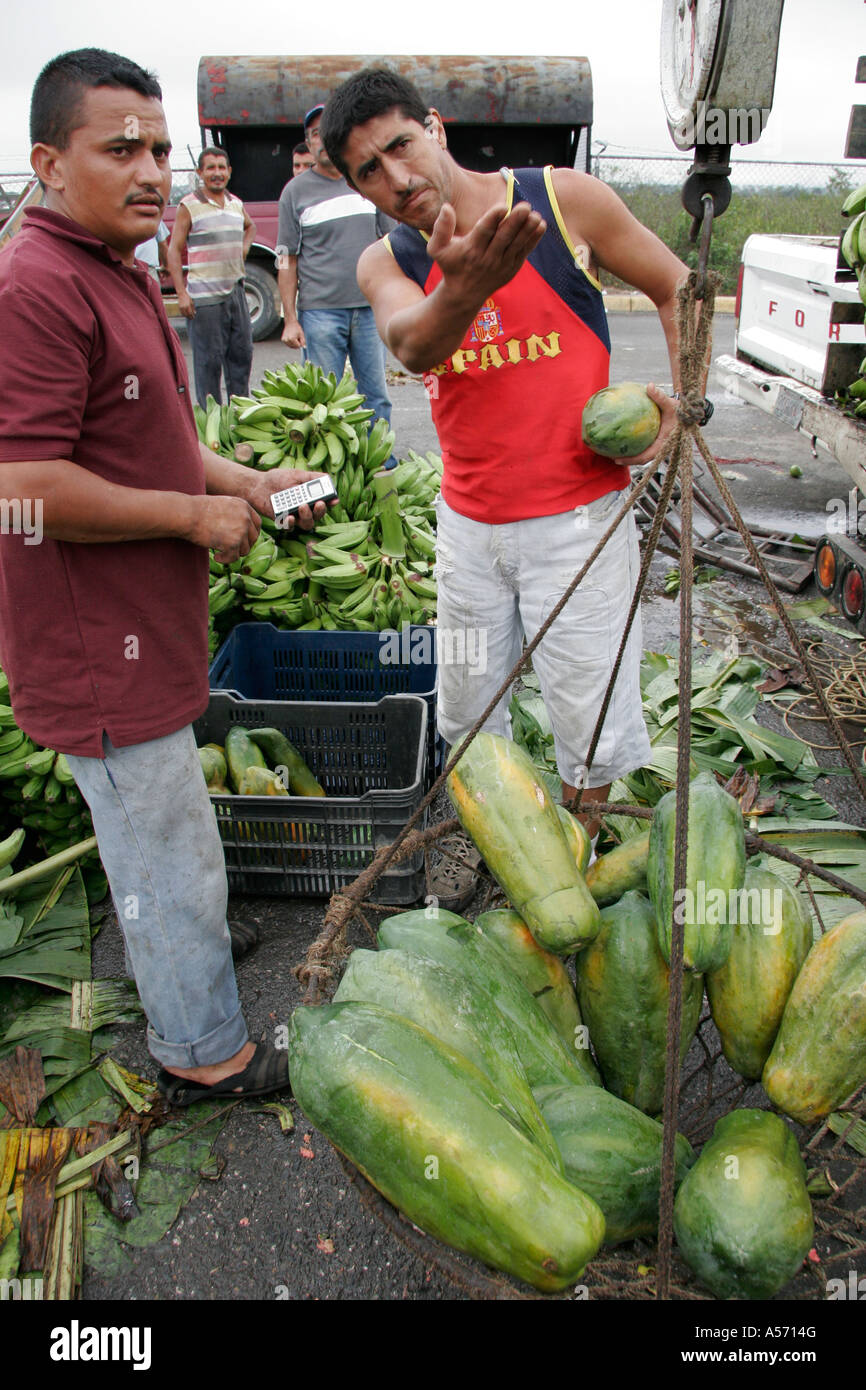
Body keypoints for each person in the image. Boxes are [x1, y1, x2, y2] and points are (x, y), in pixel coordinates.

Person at [0, 47, 330, 1105]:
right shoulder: (37, 286)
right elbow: (22, 487)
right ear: (49, 164)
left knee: (169, 827)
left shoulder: (119, 267)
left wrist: (249, 482)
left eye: (160, 148)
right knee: (162, 847)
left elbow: (155, 444)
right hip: (96, 644)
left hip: (144, 623)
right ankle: (202, 1051)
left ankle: (187, 941)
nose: (151, 170)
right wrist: (192, 517)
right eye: (119, 149)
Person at [320, 68, 699, 850]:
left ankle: (577, 855)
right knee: (469, 716)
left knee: (589, 719)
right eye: (369, 172)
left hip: (581, 526)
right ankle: (502, 852)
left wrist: (686, 409)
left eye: (401, 146)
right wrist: (465, 285)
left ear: (435, 126)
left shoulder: (564, 201)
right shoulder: (387, 260)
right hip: (470, 536)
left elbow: (680, 287)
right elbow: (413, 342)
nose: (396, 179)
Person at [277, 103, 394, 430]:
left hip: (370, 310)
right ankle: (330, 459)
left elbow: (391, 243)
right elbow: (286, 258)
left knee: (376, 396)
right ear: (308, 142)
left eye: (329, 131)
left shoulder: (368, 179)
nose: (324, 139)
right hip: (320, 314)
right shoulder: (294, 193)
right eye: (316, 134)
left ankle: (378, 455)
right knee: (322, 401)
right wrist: (290, 319)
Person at [167, 146, 255, 408]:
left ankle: (241, 418)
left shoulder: (236, 203)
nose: (217, 173)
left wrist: (244, 247)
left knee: (241, 358)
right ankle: (211, 424)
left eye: (221, 168)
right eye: (211, 168)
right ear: (200, 172)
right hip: (205, 299)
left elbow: (250, 227)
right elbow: (173, 250)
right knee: (209, 364)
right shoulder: (189, 205)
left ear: (229, 171)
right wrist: (182, 293)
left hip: (236, 293)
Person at [136, 216, 169, 281]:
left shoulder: (122, 217)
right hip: (148, 269)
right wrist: (166, 265)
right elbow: (163, 244)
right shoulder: (153, 215)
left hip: (126, 268)